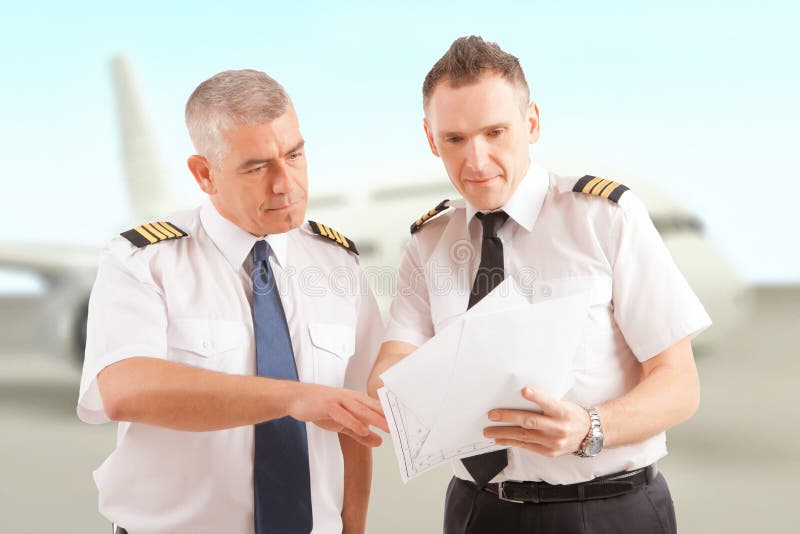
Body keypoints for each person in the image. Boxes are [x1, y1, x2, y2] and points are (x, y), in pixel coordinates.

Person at [368, 36, 710, 534]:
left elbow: (679, 384)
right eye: (455, 139)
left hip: (608, 510)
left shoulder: (605, 218)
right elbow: (393, 366)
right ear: (430, 138)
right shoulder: (429, 242)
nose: (477, 161)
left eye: (495, 132)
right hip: (477, 511)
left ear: (531, 124)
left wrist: (588, 428)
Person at [77, 68, 388, 534]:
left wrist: (354, 528)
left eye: (295, 155)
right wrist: (292, 397)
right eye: (257, 167)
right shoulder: (143, 261)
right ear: (205, 174)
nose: (286, 183)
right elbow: (125, 389)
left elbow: (353, 420)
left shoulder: (339, 265)